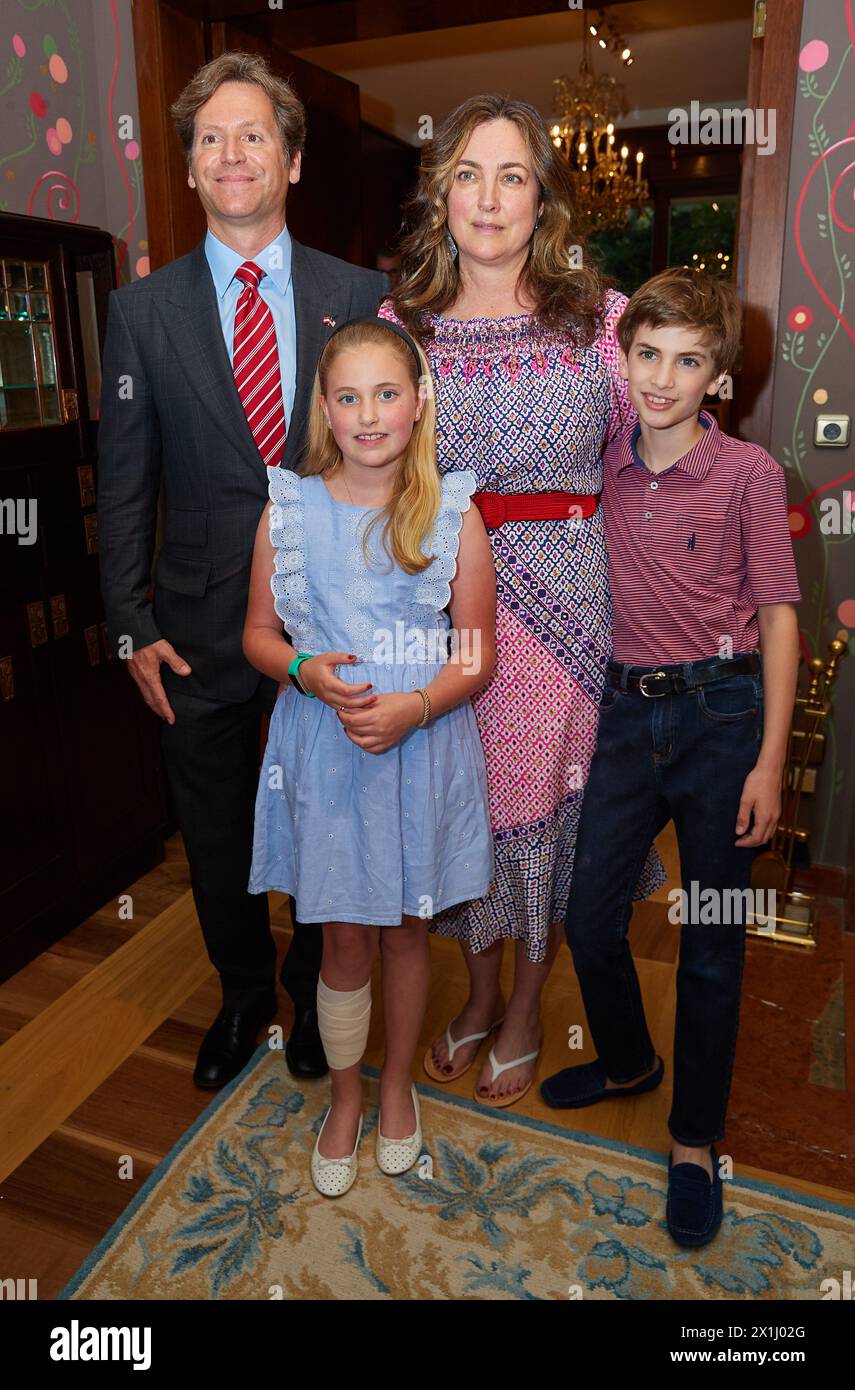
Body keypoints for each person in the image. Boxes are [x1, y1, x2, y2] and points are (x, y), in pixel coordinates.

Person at [97, 51, 388, 1091]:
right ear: (188, 169)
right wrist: (128, 623)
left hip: (334, 615)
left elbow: (392, 456)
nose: (231, 154)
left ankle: (318, 991)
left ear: (292, 160)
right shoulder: (142, 313)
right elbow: (124, 482)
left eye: (254, 134)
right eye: (211, 138)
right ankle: (238, 994)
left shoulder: (362, 295)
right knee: (213, 825)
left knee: (327, 813)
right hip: (197, 620)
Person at [379, 94, 663, 1108]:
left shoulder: (606, 321)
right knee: (461, 819)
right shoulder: (397, 328)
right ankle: (476, 990)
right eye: (466, 174)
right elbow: (365, 473)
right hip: (439, 620)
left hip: (571, 622)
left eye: (510, 175)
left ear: (543, 195)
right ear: (439, 194)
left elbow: (652, 468)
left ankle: (528, 1004)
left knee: (546, 822)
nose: (488, 198)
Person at [540, 268, 801, 1247]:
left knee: (711, 944)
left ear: (718, 379)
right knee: (588, 915)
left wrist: (769, 761)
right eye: (646, 354)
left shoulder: (749, 475)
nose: (661, 377)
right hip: (620, 713)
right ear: (625, 356)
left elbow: (779, 618)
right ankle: (625, 1062)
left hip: (722, 721)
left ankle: (694, 1142)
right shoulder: (602, 458)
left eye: (688, 360)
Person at [243, 317, 497, 1196]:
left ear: (418, 403)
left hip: (416, 747)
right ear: (323, 407)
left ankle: (396, 1088)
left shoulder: (453, 515)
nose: (367, 414)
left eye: (386, 393)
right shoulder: (288, 511)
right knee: (341, 935)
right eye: (347, 396)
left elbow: (475, 654)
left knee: (404, 930)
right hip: (325, 750)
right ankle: (344, 1096)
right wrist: (305, 670)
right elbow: (258, 636)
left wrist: (416, 705)